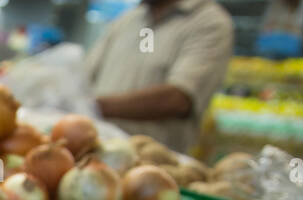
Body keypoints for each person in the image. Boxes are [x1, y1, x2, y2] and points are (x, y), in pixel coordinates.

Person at [84, 0, 235, 153]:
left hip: (152, 163)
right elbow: (84, 76)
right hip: (95, 152)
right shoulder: (128, 19)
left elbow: (178, 99)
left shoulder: (209, 23)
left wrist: (93, 106)